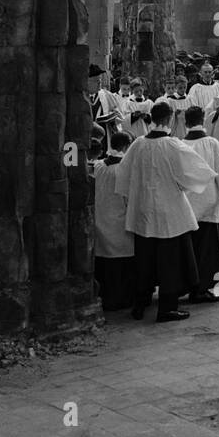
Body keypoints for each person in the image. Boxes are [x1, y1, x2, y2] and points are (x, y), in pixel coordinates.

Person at [114, 100, 210, 323]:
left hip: (143, 212)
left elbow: (123, 176)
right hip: (168, 213)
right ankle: (167, 308)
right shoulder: (173, 145)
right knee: (170, 262)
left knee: (144, 260)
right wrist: (182, 186)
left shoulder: (137, 144)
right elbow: (197, 173)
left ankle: (140, 304)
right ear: (169, 119)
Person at [181, 106, 219, 304]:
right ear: (203, 120)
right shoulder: (212, 143)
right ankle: (214, 288)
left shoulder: (179, 144)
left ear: (185, 123)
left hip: (186, 203)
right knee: (210, 248)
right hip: (208, 200)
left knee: (189, 248)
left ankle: (189, 287)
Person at [88, 130, 136, 310]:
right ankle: (123, 298)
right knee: (122, 265)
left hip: (100, 220)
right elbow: (131, 199)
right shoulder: (125, 169)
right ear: (126, 146)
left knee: (105, 265)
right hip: (121, 223)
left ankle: (106, 297)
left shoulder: (99, 166)